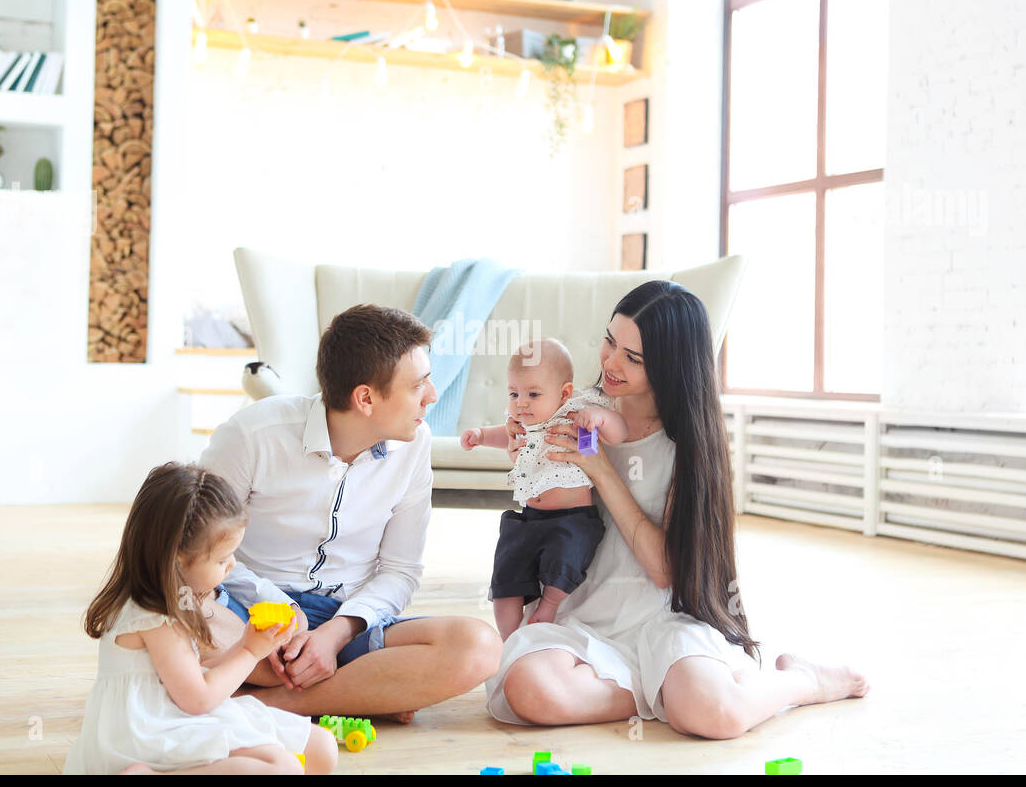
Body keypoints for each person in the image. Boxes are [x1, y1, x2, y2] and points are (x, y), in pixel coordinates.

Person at [484, 281, 870, 738]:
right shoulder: (577, 412)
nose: (610, 362)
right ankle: (666, 693)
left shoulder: (685, 445)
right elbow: (547, 511)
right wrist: (525, 458)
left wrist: (602, 471)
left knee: (715, 717)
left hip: (664, 618)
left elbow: (665, 570)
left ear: (670, 366)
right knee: (531, 689)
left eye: (633, 357)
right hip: (586, 614)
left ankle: (802, 680)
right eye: (610, 341)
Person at [199, 304, 502, 721]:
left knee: (478, 646)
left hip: (348, 619)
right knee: (170, 611)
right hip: (246, 613)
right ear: (365, 398)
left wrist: (334, 636)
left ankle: (265, 703)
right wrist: (278, 612)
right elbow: (194, 550)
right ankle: (363, 690)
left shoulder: (414, 444)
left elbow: (400, 570)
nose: (432, 396)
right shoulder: (252, 434)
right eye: (419, 386)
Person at [64, 462, 338, 774]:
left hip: (173, 713)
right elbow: (197, 698)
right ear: (177, 558)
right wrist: (250, 652)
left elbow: (193, 673)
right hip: (149, 733)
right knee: (282, 768)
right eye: (223, 559)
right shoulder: (155, 615)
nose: (232, 565)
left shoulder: (175, 596)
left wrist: (248, 645)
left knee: (321, 749)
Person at [461, 337, 628, 639]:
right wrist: (481, 435)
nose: (521, 403)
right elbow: (504, 434)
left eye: (533, 393)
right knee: (505, 581)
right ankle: (510, 639)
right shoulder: (522, 421)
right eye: (514, 393)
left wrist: (601, 419)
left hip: (571, 519)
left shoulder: (576, 412)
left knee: (564, 563)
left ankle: (549, 605)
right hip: (528, 519)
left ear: (563, 393)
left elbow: (618, 433)